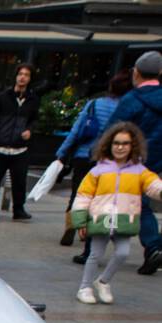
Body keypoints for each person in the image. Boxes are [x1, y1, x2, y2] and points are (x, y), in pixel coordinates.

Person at [72, 121, 162, 304]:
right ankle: (85, 287)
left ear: (133, 146)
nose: (120, 147)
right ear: (108, 145)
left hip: (124, 220)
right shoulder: (98, 170)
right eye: (116, 143)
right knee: (95, 254)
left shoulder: (139, 171)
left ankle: (103, 281)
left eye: (125, 143)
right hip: (100, 219)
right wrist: (80, 221)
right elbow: (83, 195)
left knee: (123, 253)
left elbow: (153, 184)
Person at [57, 71, 130, 259]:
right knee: (99, 202)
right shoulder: (126, 109)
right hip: (108, 160)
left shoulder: (94, 105)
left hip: (84, 155)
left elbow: (76, 130)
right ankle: (89, 241)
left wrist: (62, 153)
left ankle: (72, 225)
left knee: (78, 194)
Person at [112, 51, 162, 274]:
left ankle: (153, 246)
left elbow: (114, 131)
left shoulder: (132, 100)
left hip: (136, 161)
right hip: (159, 161)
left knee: (139, 205)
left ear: (137, 72)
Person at [0, 64, 38, 220]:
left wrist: (30, 130)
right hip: (0, 146)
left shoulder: (33, 100)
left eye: (26, 75)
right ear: (15, 76)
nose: (22, 77)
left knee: (20, 182)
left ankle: (18, 209)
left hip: (20, 148)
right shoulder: (3, 97)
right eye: (20, 74)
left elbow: (34, 120)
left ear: (30, 79)